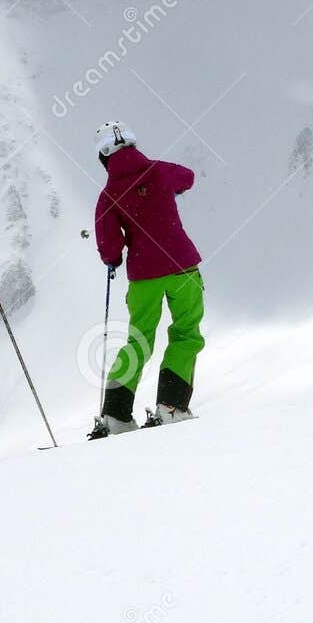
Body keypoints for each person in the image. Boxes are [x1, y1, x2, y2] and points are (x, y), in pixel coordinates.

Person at [89, 122, 205, 437]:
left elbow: (109, 242)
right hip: (182, 266)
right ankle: (171, 406)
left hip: (143, 276)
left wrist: (113, 259)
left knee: (139, 341)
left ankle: (116, 414)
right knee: (185, 334)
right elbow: (188, 177)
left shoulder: (108, 195)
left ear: (104, 158)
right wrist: (168, 189)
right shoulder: (159, 171)